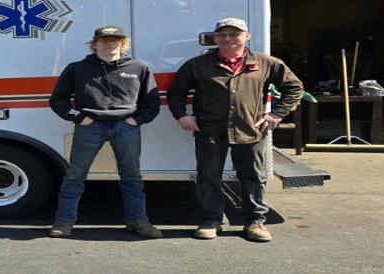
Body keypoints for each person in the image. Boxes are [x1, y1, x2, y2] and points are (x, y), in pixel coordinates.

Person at [167, 18, 303, 241]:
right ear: (215, 38)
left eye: (234, 34)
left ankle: (255, 223)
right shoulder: (197, 65)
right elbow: (176, 92)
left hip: (250, 130)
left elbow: (294, 87)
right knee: (208, 177)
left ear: (246, 36)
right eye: (222, 34)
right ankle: (211, 221)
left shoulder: (266, 63)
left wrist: (277, 114)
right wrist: (182, 116)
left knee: (252, 178)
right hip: (209, 130)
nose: (228, 38)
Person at [47, 25, 161, 239]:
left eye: (116, 39)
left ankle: (138, 222)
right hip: (90, 127)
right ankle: (64, 223)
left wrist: (136, 120)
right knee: (75, 176)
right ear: (95, 43)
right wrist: (80, 117)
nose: (110, 43)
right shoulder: (77, 69)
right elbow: (58, 101)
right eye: (105, 39)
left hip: (126, 128)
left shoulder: (139, 67)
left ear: (123, 43)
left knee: (132, 178)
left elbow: (151, 102)